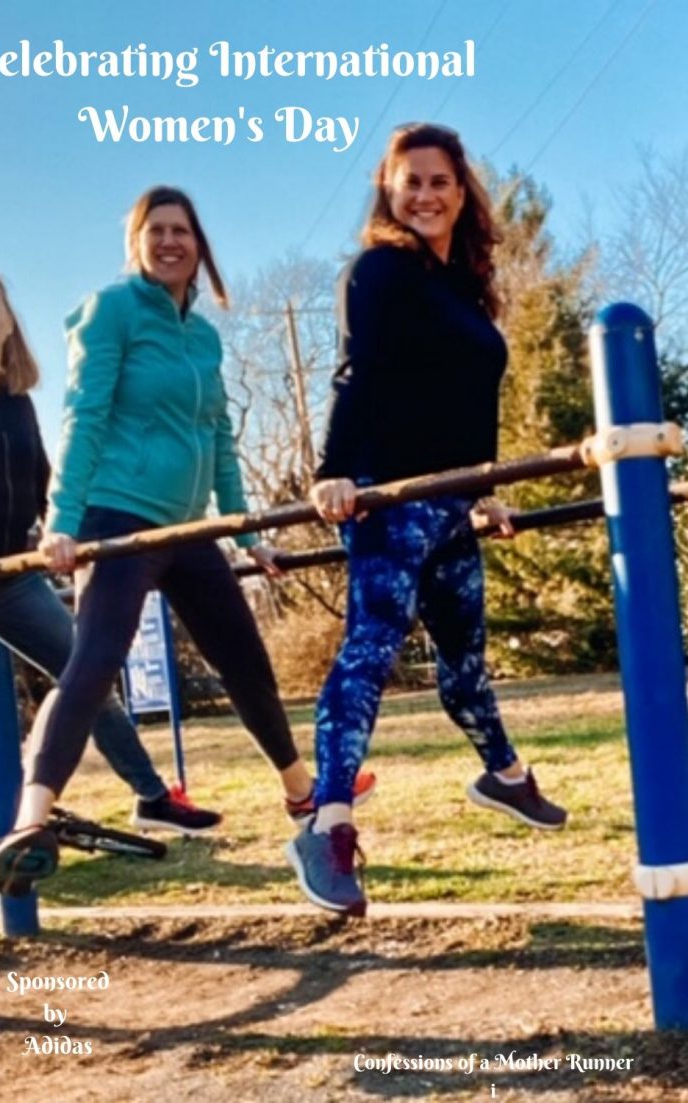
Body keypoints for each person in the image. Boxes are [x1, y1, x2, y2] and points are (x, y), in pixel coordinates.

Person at [0, 188, 373, 896]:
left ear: (199, 244)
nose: (170, 241)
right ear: (136, 242)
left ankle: (300, 793)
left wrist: (244, 526)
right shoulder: (111, 311)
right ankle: (28, 823)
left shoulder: (202, 335)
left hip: (189, 526)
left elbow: (218, 435)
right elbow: (84, 415)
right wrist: (64, 517)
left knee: (243, 657)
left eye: (181, 231)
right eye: (155, 231)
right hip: (116, 517)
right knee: (95, 660)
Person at [286, 123, 567, 918]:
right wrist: (333, 471)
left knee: (463, 656)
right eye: (409, 181)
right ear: (388, 191)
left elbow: (473, 399)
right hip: (388, 492)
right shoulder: (381, 270)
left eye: (438, 180)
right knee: (372, 645)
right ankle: (326, 821)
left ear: (459, 190)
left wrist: (483, 486)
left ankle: (503, 775)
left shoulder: (467, 287)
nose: (425, 194)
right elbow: (358, 369)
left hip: (450, 499)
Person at [0, 265, 221, 841]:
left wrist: (65, 527)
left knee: (87, 674)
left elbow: (46, 480)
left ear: (8, 322)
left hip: (14, 574)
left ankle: (153, 798)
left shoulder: (17, 401)